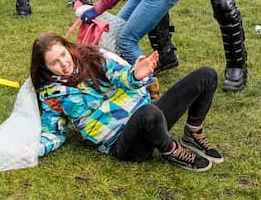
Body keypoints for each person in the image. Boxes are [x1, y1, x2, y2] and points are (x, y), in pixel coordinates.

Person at [31, 33, 222, 172]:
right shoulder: (51, 94)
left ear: (68, 48)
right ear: (45, 68)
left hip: (146, 115)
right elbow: (53, 132)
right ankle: (171, 149)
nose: (63, 63)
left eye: (63, 55)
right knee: (149, 113)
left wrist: (135, 76)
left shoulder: (93, 56)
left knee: (206, 75)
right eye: (54, 62)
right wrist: (31, 150)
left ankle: (193, 133)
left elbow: (120, 75)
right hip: (121, 142)